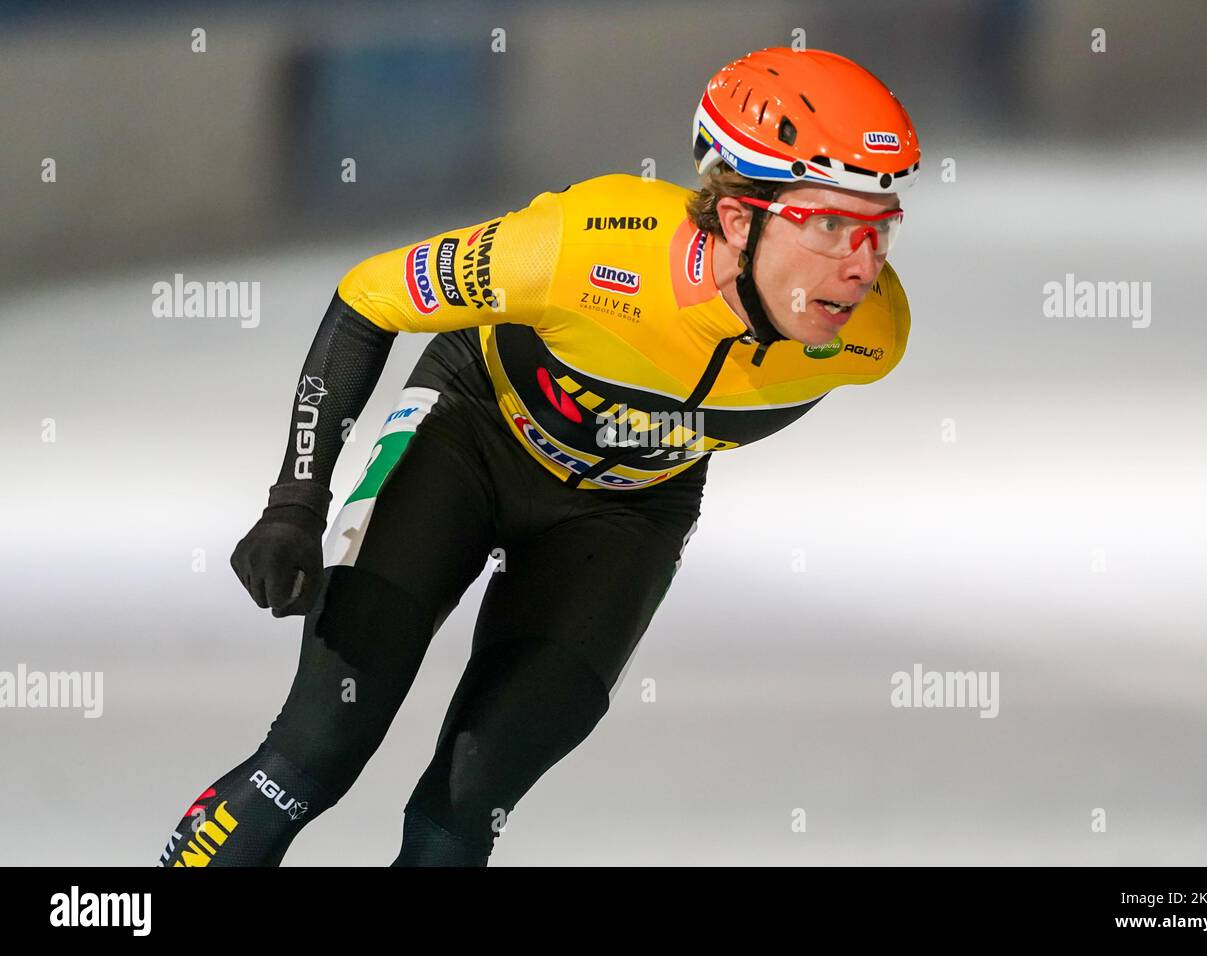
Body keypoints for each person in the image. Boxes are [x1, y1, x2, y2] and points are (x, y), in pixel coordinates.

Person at [156, 45, 920, 867]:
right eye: (829, 225)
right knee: (314, 754)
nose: (861, 267)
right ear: (738, 219)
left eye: (880, 229)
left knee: (464, 807)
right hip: (470, 439)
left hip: (628, 514)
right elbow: (368, 299)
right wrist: (296, 502)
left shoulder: (871, 338)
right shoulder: (580, 249)